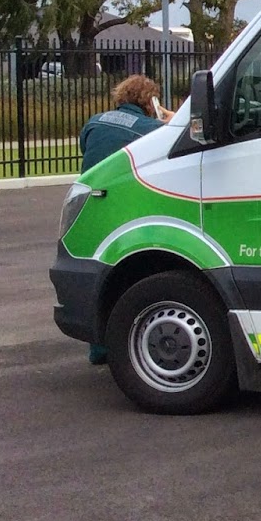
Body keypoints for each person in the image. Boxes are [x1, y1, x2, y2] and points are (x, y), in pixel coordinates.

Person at [77, 75, 172, 363]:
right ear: (150, 101)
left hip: (91, 203)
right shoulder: (152, 128)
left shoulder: (94, 122)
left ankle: (97, 348)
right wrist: (170, 119)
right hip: (128, 206)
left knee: (100, 273)